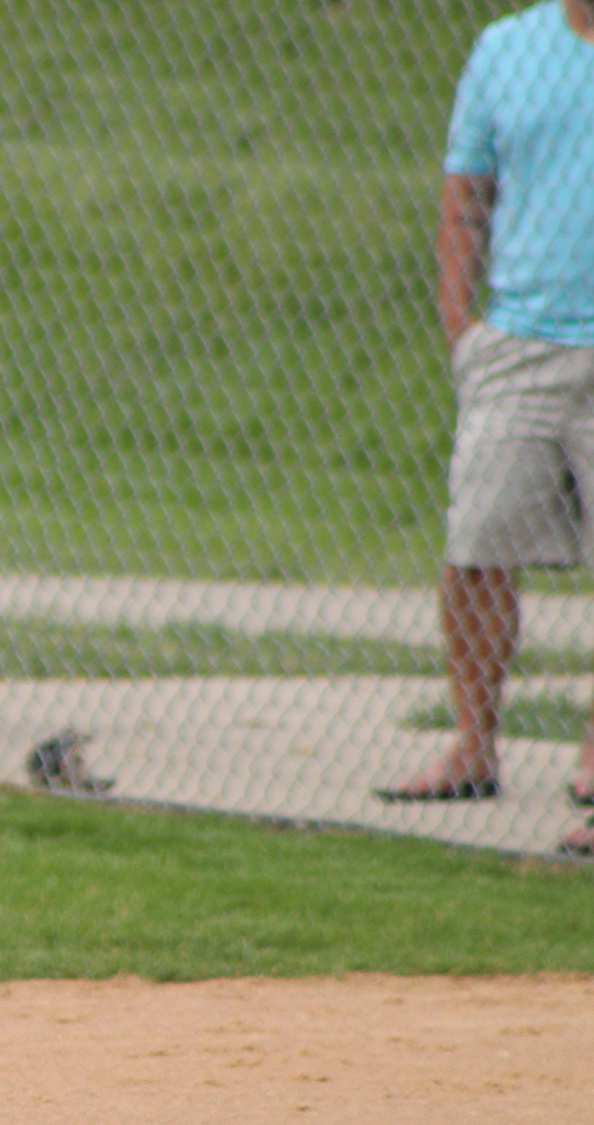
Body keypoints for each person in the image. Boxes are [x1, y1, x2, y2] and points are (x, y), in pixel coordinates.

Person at [374, 1, 594, 849]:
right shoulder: (506, 48)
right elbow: (465, 194)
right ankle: (473, 745)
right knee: (475, 548)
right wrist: (462, 325)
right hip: (517, 344)